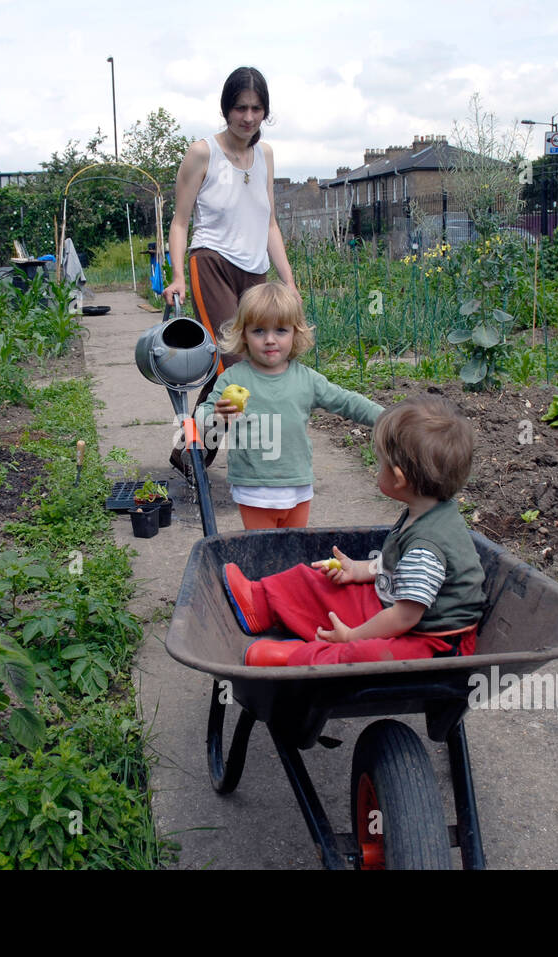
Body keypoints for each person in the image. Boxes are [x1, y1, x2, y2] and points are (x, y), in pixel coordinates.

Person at [221, 394, 486, 666]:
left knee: (365, 654)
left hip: (431, 641)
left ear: (398, 479)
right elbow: (397, 567)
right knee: (317, 581)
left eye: (380, 463)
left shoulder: (426, 548)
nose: (376, 468)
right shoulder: (428, 512)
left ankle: (295, 658)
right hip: (392, 603)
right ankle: (258, 603)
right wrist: (359, 570)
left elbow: (404, 617)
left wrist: (352, 636)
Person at [164, 66, 298, 474]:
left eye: (257, 108)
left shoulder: (266, 155)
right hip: (212, 266)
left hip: (255, 272)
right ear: (226, 108)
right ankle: (223, 452)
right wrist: (178, 276)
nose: (249, 117)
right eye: (240, 107)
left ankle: (188, 450)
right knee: (236, 362)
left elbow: (270, 223)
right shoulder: (203, 153)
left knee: (246, 361)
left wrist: (288, 282)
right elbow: (180, 222)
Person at [197, 282, 382, 530]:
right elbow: (202, 418)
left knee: (294, 552)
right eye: (259, 331)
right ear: (243, 334)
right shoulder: (233, 378)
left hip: (297, 486)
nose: (270, 340)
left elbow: (346, 401)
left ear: (296, 333)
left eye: (281, 331)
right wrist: (217, 416)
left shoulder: (307, 379)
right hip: (254, 489)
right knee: (265, 555)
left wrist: (389, 417)